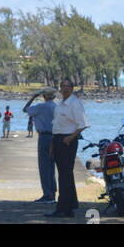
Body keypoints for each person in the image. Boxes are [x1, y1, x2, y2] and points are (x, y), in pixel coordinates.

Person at [48, 79, 87, 217]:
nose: (65, 89)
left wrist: (71, 138)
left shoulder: (75, 103)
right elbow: (56, 126)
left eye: (67, 86)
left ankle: (63, 208)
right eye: (63, 86)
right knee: (64, 175)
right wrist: (53, 145)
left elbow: (82, 124)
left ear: (72, 88)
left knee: (65, 174)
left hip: (68, 141)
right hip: (58, 139)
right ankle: (70, 206)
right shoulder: (60, 104)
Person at [24, 88, 57, 203]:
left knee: (44, 166)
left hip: (44, 137)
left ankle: (47, 194)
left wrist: (33, 97)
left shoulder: (41, 106)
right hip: (55, 137)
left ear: (44, 96)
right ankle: (52, 193)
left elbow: (25, 109)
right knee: (52, 167)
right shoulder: (56, 106)